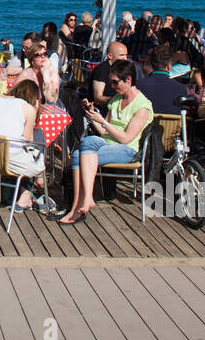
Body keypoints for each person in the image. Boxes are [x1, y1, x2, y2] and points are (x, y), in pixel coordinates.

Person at [61, 61, 151, 225]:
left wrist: (102, 122)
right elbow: (104, 131)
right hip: (107, 142)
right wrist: (93, 115)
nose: (112, 86)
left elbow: (126, 138)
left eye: (116, 82)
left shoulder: (142, 106)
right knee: (85, 144)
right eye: (111, 82)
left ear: (128, 80)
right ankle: (83, 201)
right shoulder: (116, 99)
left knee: (76, 155)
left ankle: (77, 208)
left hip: (127, 150)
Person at [0, 78, 53, 212]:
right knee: (38, 135)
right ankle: (30, 188)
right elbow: (29, 142)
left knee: (23, 141)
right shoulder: (27, 108)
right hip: (9, 160)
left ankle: (21, 190)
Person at [136, 45, 188, 115]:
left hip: (145, 124)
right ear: (169, 66)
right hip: (172, 125)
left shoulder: (138, 85)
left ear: (151, 64)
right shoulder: (182, 89)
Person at [90, 41, 139, 109]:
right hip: (103, 110)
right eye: (122, 55)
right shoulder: (101, 70)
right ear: (110, 56)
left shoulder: (122, 69)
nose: (125, 58)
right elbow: (98, 98)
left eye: (126, 55)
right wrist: (119, 100)